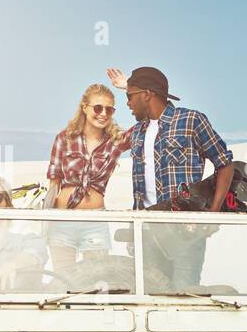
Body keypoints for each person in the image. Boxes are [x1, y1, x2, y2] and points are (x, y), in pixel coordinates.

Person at [106, 66, 234, 289]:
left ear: (147, 95)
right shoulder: (137, 132)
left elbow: (224, 163)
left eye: (129, 96)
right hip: (146, 231)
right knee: (149, 295)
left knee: (184, 296)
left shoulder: (191, 120)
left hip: (185, 231)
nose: (127, 103)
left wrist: (213, 214)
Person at [43, 83, 125, 271]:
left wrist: (128, 87)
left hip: (95, 223)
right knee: (63, 280)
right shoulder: (64, 138)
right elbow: (53, 185)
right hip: (62, 221)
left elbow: (145, 125)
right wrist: (45, 223)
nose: (103, 113)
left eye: (109, 109)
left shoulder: (115, 142)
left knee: (96, 281)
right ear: (85, 107)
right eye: (98, 108)